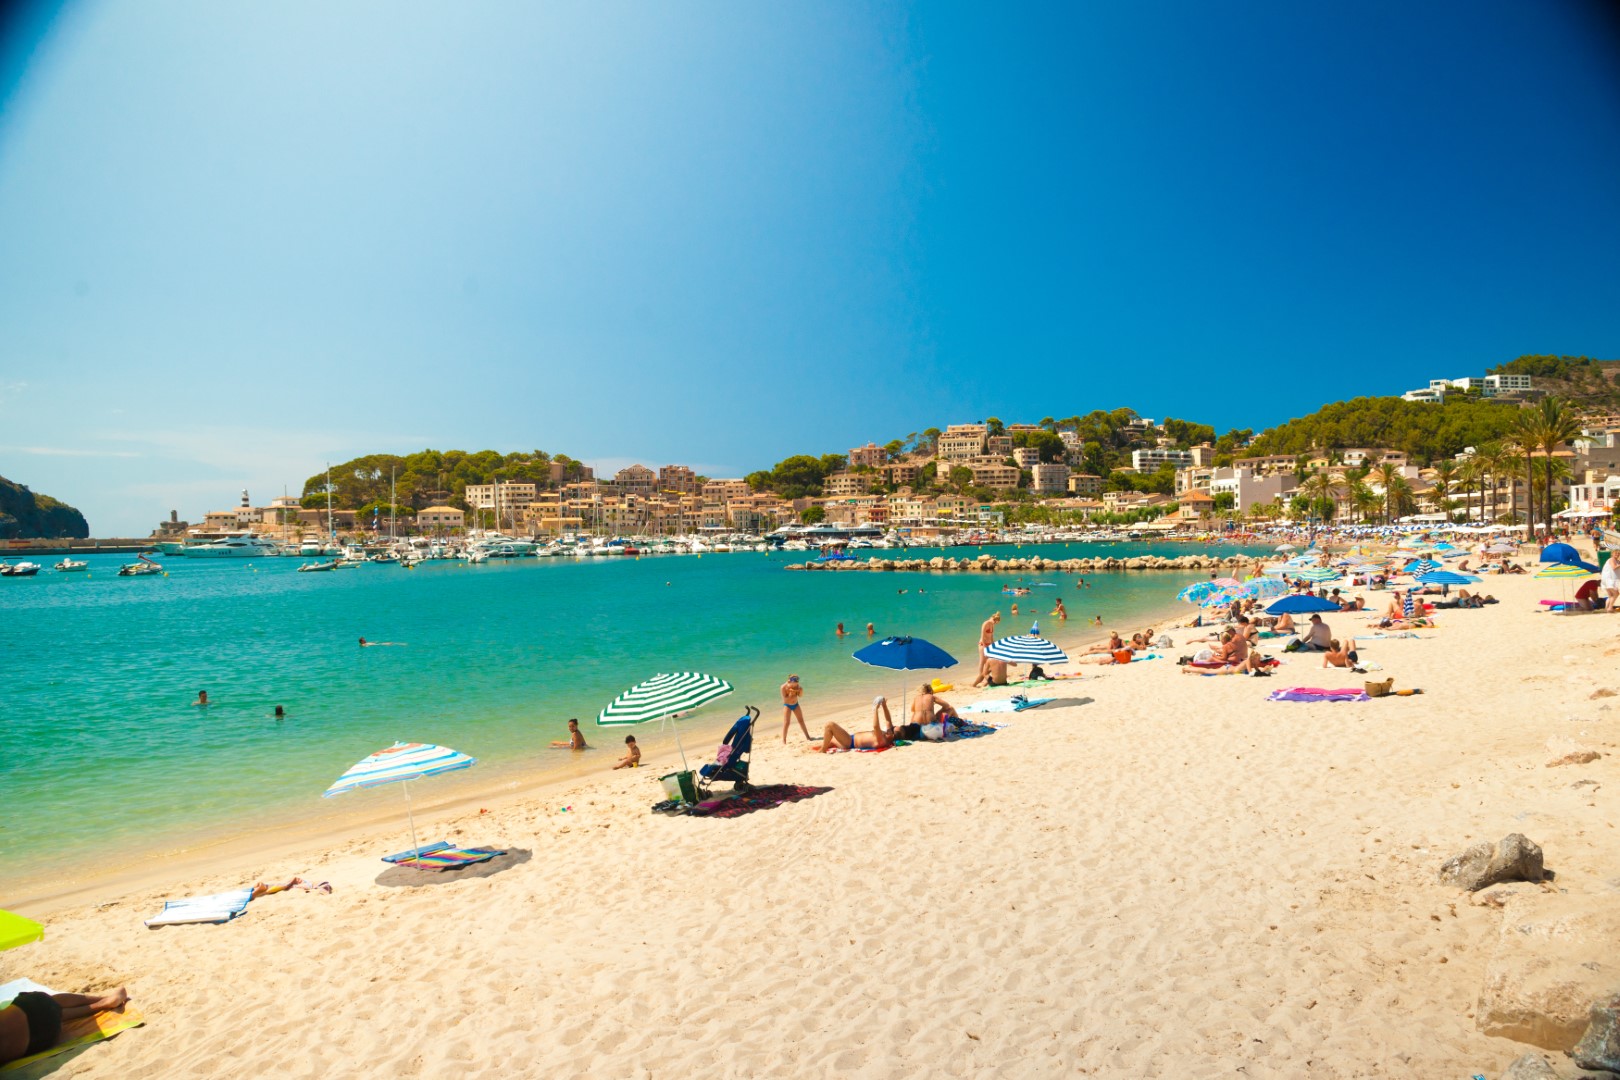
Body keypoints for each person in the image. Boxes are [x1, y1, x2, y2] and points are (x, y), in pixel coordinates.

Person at [1, 987, 130, 1065]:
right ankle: (102, 1000)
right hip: (34, 1005)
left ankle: (102, 1004)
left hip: (43, 1038)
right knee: (47, 1005)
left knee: (54, 1015)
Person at [811, 697, 904, 752]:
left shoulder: (882, 740)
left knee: (829, 725)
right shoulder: (888, 735)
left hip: (849, 742)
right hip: (850, 738)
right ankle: (817, 749)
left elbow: (876, 726)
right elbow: (888, 720)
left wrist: (875, 709)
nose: (891, 727)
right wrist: (884, 705)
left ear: (892, 736)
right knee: (829, 741)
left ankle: (822, 751)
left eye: (893, 729)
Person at [972, 612, 1002, 687]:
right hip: (983, 644)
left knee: (988, 662)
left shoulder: (992, 625)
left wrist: (994, 646)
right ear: (994, 619)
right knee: (982, 661)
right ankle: (980, 676)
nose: (995, 624)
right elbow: (982, 636)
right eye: (996, 622)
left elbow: (991, 637)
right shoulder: (986, 623)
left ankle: (985, 676)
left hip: (989, 644)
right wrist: (985, 646)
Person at [780, 675, 811, 743]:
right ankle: (784, 740)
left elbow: (800, 696)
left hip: (796, 705)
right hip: (787, 705)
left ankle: (808, 736)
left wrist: (800, 691)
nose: (796, 684)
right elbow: (785, 699)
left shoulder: (797, 686)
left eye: (797, 682)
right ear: (789, 681)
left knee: (801, 720)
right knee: (786, 723)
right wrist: (791, 693)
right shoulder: (783, 687)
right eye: (795, 682)